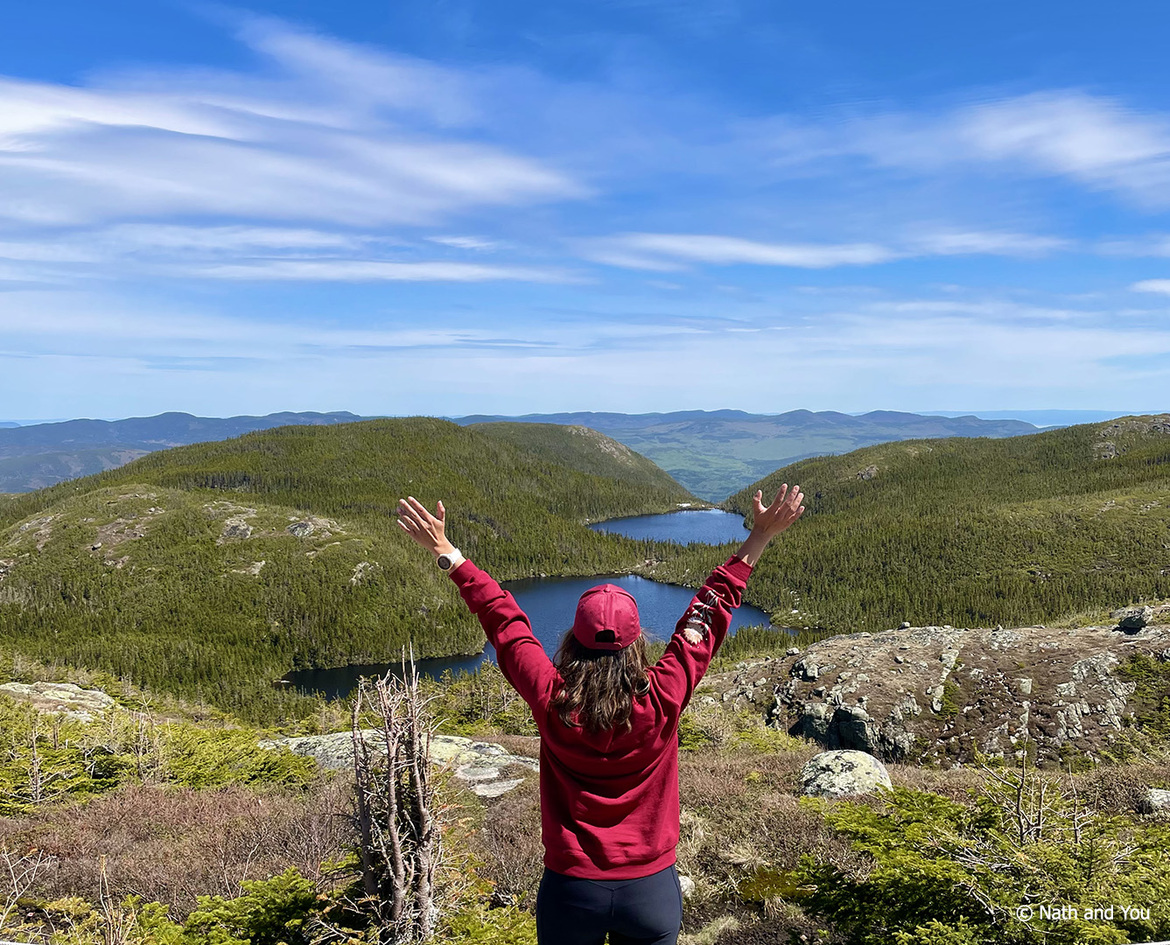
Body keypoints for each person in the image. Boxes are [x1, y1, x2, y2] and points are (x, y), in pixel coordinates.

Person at [396, 484, 805, 945]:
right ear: (636, 645)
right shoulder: (662, 695)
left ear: (574, 639)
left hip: (572, 890)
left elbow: (504, 620)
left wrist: (448, 553)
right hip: (650, 891)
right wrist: (759, 537)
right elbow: (706, 614)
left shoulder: (552, 699)